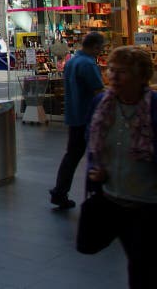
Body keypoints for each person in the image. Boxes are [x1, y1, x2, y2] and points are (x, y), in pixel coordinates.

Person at [86, 46, 157, 288]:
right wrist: (96, 169)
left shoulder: (153, 108)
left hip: (147, 204)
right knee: (135, 263)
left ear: (141, 76)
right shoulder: (101, 105)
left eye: (123, 72)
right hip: (113, 200)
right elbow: (93, 145)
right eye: (111, 70)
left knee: (142, 266)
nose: (113, 77)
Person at [49, 31, 105, 209]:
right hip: (89, 117)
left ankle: (59, 191)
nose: (101, 52)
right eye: (100, 48)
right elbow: (98, 92)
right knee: (97, 156)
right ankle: (98, 196)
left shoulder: (72, 61)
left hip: (74, 116)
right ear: (95, 47)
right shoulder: (88, 64)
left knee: (71, 156)